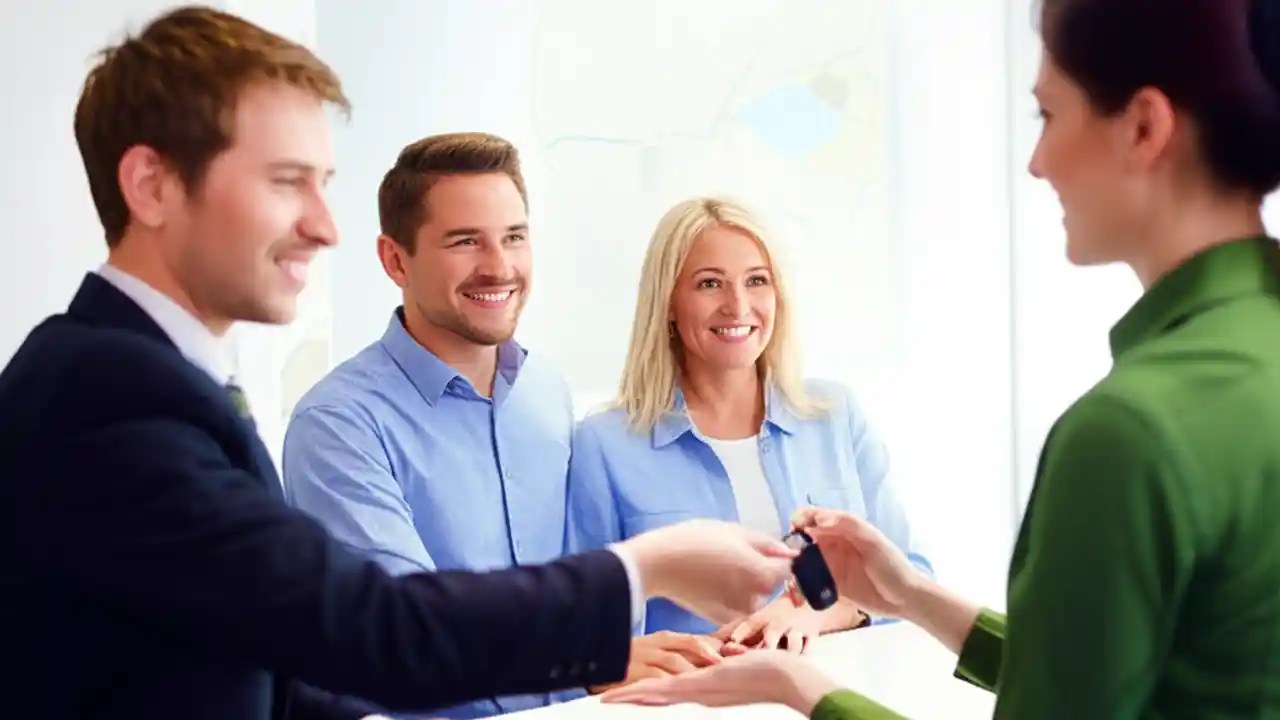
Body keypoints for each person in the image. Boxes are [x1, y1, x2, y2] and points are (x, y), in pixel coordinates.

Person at [0, 7, 800, 720]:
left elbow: (265, 653)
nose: (323, 227)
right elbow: (375, 627)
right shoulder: (106, 394)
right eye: (286, 183)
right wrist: (646, 566)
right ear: (153, 185)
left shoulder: (139, 377)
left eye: (323, 184)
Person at [602, 0, 1280, 716]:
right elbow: (1108, 672)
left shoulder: (1129, 432)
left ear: (1144, 127)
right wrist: (910, 595)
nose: (1036, 161)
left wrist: (804, 689)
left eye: (1047, 116)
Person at [567, 196, 930, 686]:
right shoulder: (605, 443)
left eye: (756, 280)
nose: (737, 305)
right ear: (669, 304)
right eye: (710, 283)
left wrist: (817, 614)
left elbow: (912, 578)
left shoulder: (836, 417)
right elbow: (588, 636)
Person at [282, 132, 580, 718]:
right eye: (466, 242)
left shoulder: (547, 391)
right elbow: (406, 632)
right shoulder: (338, 425)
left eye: (514, 237)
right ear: (396, 260)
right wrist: (594, 652)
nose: (499, 267)